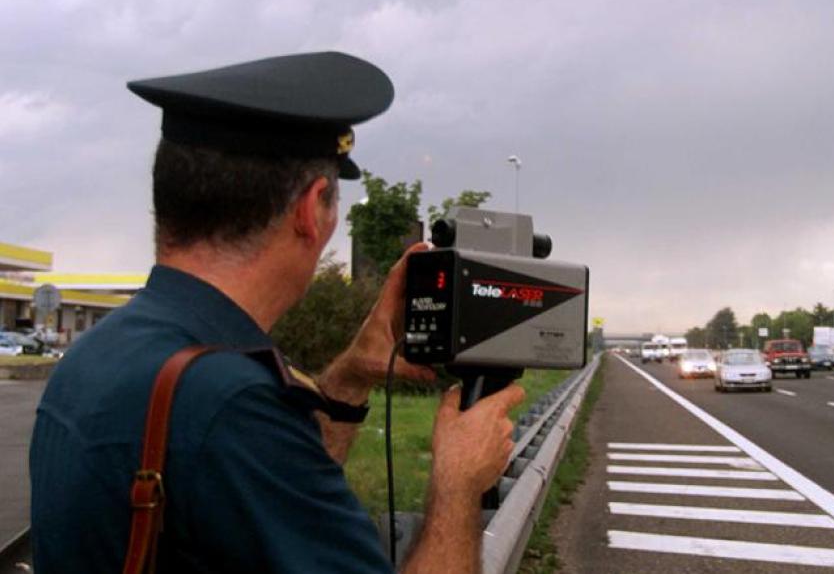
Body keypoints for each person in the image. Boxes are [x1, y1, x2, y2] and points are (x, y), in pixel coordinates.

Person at [29, 52, 524, 573]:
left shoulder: (100, 353)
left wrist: (352, 376)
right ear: (311, 210)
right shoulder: (231, 404)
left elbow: (264, 504)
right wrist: (458, 485)